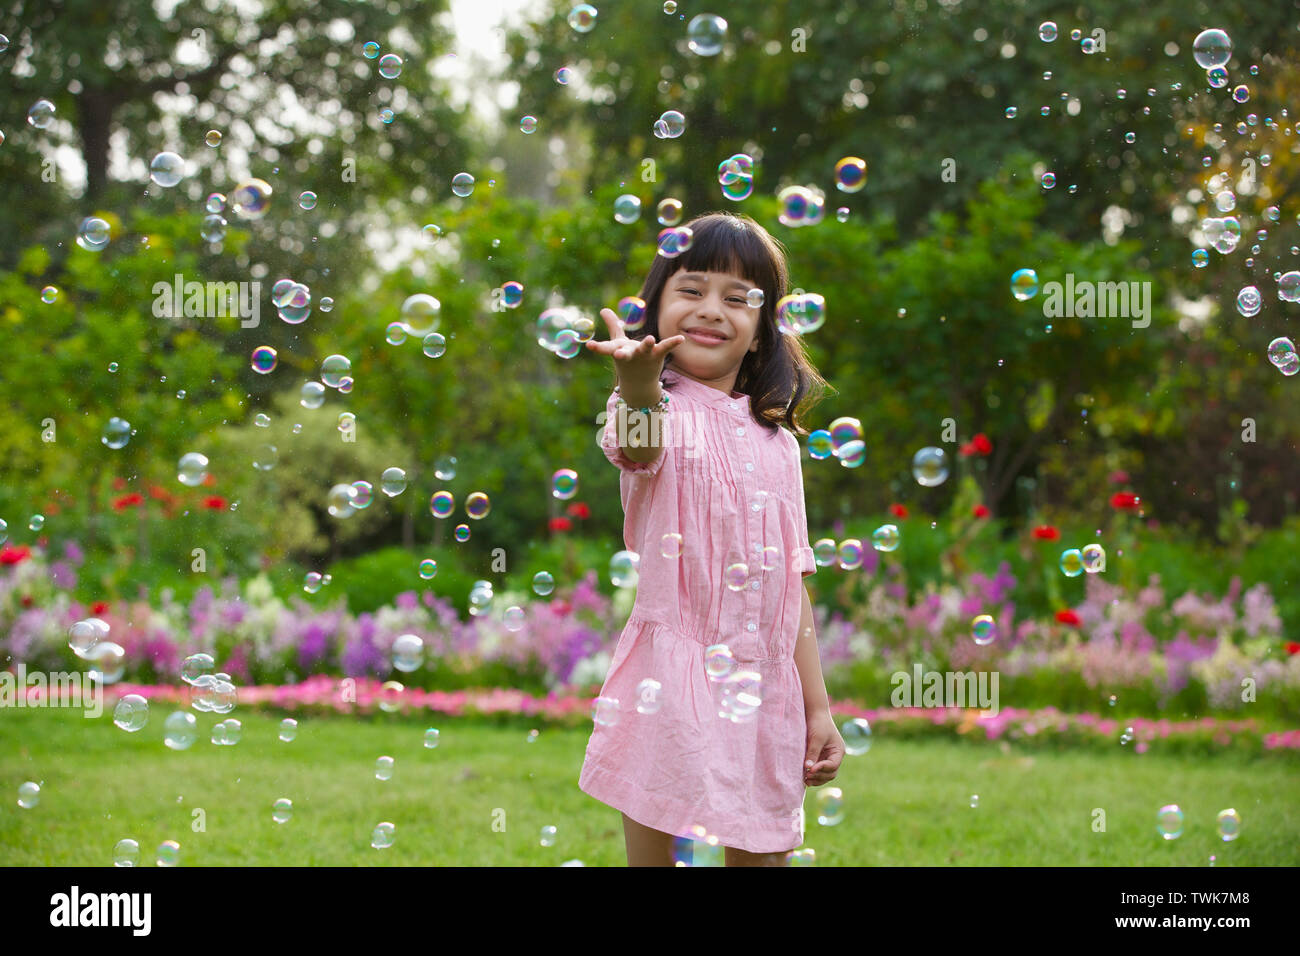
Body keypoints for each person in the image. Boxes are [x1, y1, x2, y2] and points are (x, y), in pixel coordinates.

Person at [578, 211, 845, 867]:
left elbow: (793, 587)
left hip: (766, 687)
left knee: (763, 853)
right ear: (655, 309)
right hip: (670, 682)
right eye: (692, 289)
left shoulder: (779, 445)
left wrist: (817, 709)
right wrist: (637, 385)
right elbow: (638, 445)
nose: (711, 309)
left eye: (737, 298)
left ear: (761, 333)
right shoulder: (653, 411)